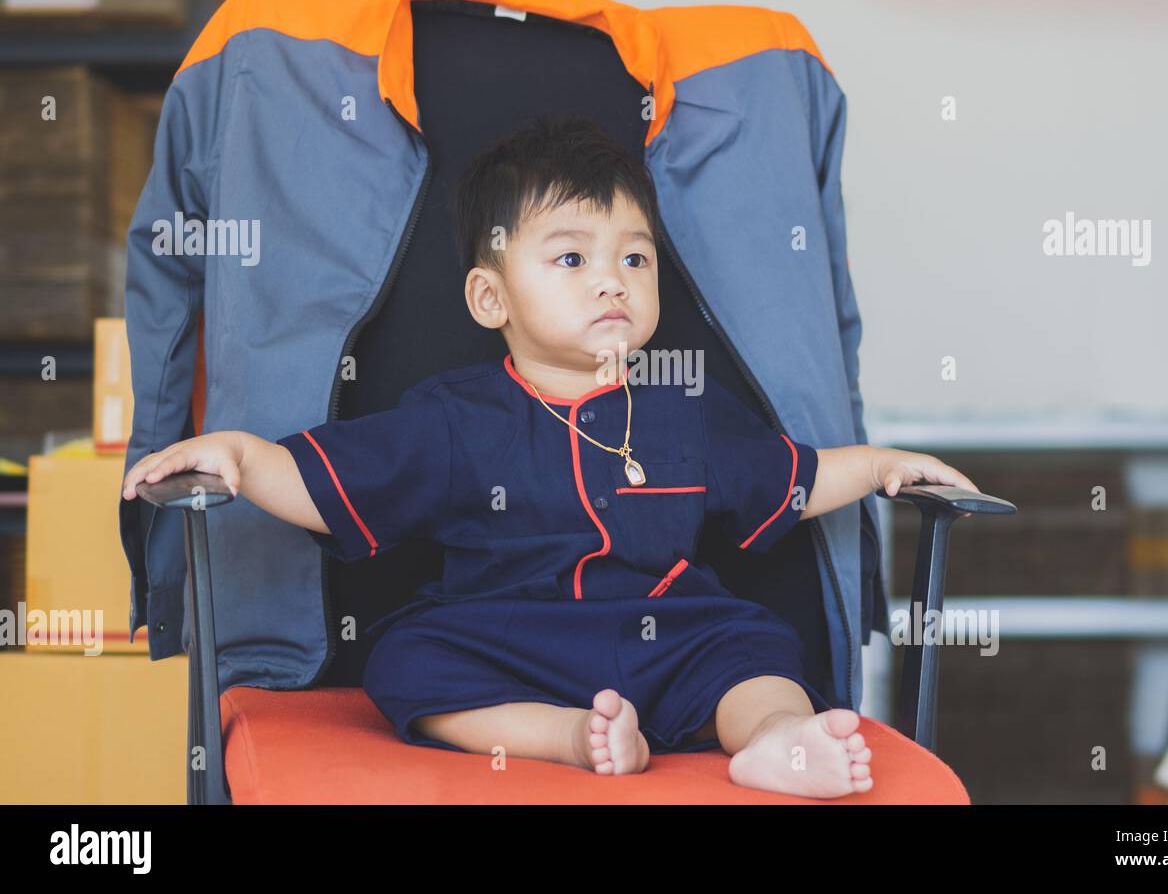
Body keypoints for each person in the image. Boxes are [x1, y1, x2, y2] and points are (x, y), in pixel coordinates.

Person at [122, 113, 979, 799]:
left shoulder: (683, 411)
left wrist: (873, 465)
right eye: (572, 257)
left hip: (669, 634)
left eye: (633, 259)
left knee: (757, 649)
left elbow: (787, 480)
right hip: (509, 637)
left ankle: (773, 744)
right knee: (406, 661)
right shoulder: (454, 418)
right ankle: (570, 739)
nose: (612, 280)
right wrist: (240, 452)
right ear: (491, 296)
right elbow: (330, 481)